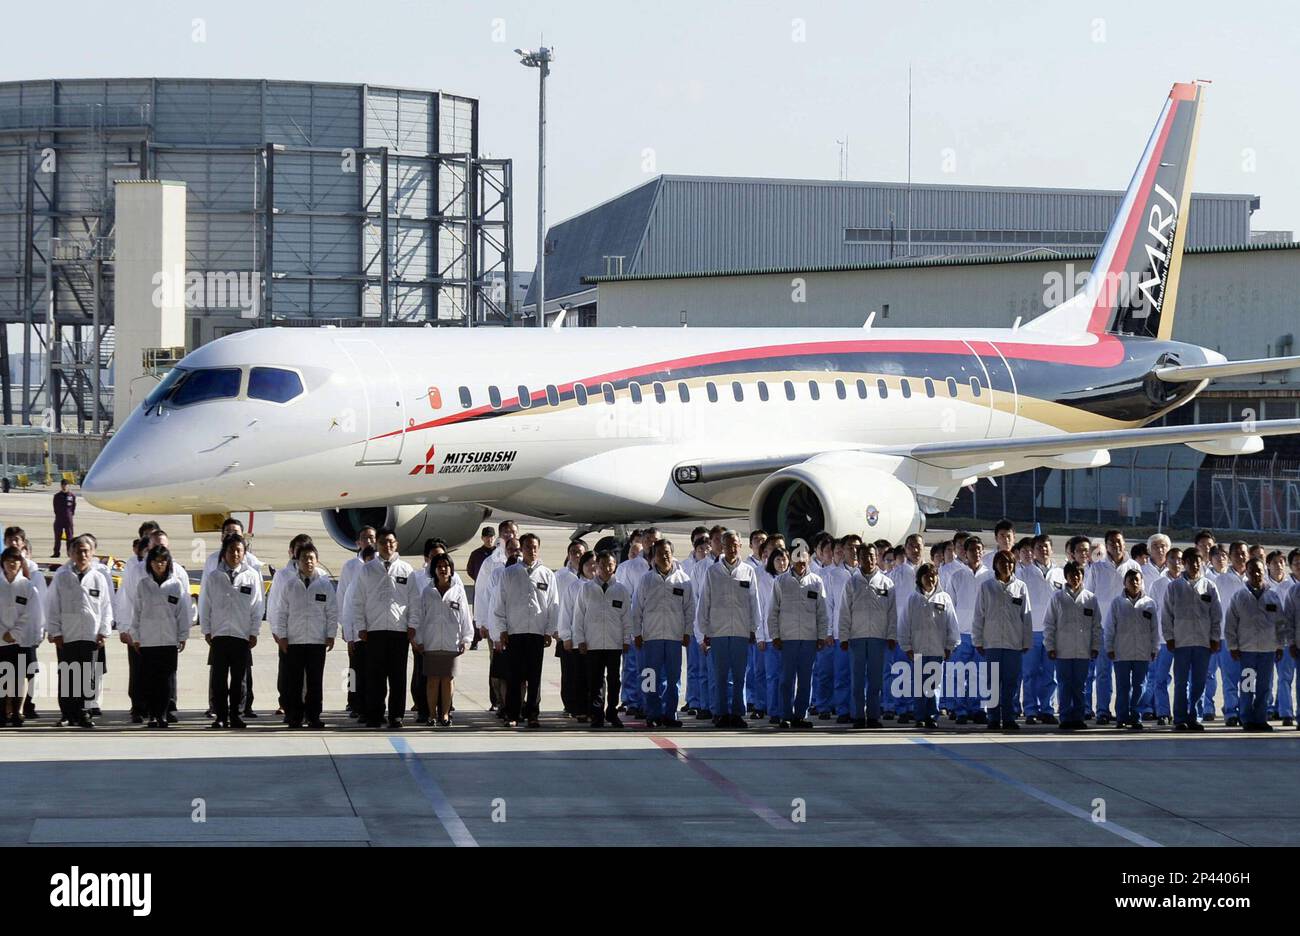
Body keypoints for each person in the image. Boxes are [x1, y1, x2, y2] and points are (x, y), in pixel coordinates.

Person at [348, 529, 417, 729]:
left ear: (396, 544)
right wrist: (360, 626)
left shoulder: (406, 569)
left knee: (397, 677)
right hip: (374, 630)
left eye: (391, 542)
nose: (388, 546)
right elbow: (357, 600)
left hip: (398, 630)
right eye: (384, 542)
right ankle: (375, 714)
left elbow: (414, 600)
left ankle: (396, 715)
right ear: (377, 545)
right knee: (375, 676)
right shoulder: (367, 570)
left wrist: (412, 625)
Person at [44, 535, 113, 728]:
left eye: (86, 551)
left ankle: (84, 713)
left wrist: (104, 631)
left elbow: (106, 607)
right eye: (78, 551)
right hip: (67, 634)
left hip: (91, 634)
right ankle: (67, 713)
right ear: (71, 554)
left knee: (87, 675)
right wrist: (55, 631)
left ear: (92, 553)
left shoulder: (99, 578)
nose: (82, 554)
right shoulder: (62, 577)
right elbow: (53, 606)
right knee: (67, 674)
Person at [493, 533, 559, 729]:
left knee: (534, 676)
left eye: (535, 547)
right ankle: (512, 714)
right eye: (528, 547)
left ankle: (532, 714)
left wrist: (549, 630)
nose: (532, 550)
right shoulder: (510, 573)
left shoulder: (547, 574)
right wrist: (502, 629)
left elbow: (553, 605)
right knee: (514, 676)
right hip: (516, 631)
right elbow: (500, 603)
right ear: (521, 549)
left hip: (537, 632)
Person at [697, 530, 761, 729]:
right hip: (718, 632)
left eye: (735, 544)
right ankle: (720, 712)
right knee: (720, 676)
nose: (732, 548)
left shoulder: (748, 571)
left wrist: (753, 628)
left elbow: (754, 602)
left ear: (740, 546)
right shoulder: (712, 572)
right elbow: (704, 602)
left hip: (741, 632)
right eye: (727, 544)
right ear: (721, 547)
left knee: (740, 676)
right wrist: (704, 631)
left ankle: (737, 713)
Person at [200, 535, 264, 729]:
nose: (235, 554)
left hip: (241, 635)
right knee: (219, 679)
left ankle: (236, 714)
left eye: (239, 550)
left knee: (238, 680)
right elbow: (205, 604)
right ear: (224, 552)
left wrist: (254, 632)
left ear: (244, 553)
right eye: (231, 550)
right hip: (219, 635)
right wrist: (207, 630)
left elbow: (257, 607)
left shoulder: (251, 576)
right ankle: (220, 715)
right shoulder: (213, 576)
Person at [271, 543, 338, 730]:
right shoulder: (290, 585)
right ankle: (295, 717)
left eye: (311, 558)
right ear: (297, 562)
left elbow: (332, 612)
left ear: (317, 561)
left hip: (317, 641)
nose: (308, 561)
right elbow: (281, 613)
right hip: (295, 641)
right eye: (304, 558)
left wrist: (331, 635)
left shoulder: (324, 585)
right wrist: (282, 636)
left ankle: (314, 716)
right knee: (295, 682)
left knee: (315, 682)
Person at [127, 544, 191, 729]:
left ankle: (162, 714)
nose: (159, 565)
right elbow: (136, 613)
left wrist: (182, 635)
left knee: (166, 681)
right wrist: (136, 636)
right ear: (150, 563)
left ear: (168, 563)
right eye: (156, 561)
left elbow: (182, 613)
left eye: (163, 561)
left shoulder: (175, 585)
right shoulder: (143, 585)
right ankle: (152, 715)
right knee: (149, 680)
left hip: (169, 640)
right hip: (148, 640)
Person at [633, 539, 693, 728]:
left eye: (667, 552)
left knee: (673, 678)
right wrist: (637, 633)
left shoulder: (684, 580)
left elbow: (690, 609)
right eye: (660, 553)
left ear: (672, 554)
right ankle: (652, 713)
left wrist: (687, 632)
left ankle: (670, 714)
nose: (664, 556)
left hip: (675, 637)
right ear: (653, 557)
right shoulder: (646, 579)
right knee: (650, 678)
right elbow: (637, 609)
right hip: (652, 637)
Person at [767, 544, 828, 729]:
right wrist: (775, 635)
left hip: (809, 638)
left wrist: (821, 636)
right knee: (786, 679)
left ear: (808, 559)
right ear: (791, 559)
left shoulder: (816, 582)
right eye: (797, 558)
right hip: (788, 638)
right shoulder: (781, 581)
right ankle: (785, 715)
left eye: (804, 558)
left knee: (805, 680)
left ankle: (800, 715)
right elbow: (773, 611)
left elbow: (822, 612)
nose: (801, 562)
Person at [1161, 549, 1222, 732]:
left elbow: (1216, 615)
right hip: (1182, 641)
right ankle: (1180, 718)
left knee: (1199, 681)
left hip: (1203, 642)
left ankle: (1194, 716)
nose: (1194, 565)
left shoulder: (1209, 586)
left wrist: (1214, 638)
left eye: (1198, 561)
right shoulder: (1174, 586)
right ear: (1184, 563)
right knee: (1181, 682)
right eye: (1190, 561)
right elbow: (1166, 615)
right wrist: (1169, 638)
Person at [973, 550, 1032, 731]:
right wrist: (978, 640)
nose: (1006, 566)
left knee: (1011, 683)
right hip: (992, 643)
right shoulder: (987, 587)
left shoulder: (1021, 587)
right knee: (992, 682)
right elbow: (979, 615)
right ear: (995, 565)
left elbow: (1026, 617)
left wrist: (1026, 642)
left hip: (1013, 643)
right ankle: (992, 717)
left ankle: (1008, 717)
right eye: (1002, 562)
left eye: (1009, 563)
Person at [839, 542, 896, 729]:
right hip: (856, 637)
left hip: (878, 637)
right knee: (857, 680)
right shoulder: (852, 582)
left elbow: (892, 613)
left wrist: (891, 635)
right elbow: (845, 612)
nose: (869, 560)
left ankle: (873, 716)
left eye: (872, 556)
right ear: (859, 558)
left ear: (876, 557)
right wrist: (844, 637)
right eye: (865, 556)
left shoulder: (887, 583)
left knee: (875, 679)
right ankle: (857, 716)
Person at [573, 550, 631, 729]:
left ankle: (612, 712)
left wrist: (626, 639)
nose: (607, 568)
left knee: (614, 680)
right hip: (593, 643)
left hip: (614, 643)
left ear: (615, 566)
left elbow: (627, 617)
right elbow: (578, 616)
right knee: (596, 681)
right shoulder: (587, 588)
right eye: (603, 564)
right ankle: (597, 715)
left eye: (610, 564)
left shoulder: (621, 589)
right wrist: (580, 639)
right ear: (597, 566)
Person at [413, 553, 473, 727]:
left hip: (451, 641)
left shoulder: (458, 590)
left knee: (447, 680)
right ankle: (432, 715)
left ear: (451, 569)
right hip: (431, 642)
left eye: (446, 566)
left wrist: (466, 639)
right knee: (432, 680)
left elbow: (465, 617)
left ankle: (445, 714)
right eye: (439, 566)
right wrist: (419, 639)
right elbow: (420, 617)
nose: (443, 569)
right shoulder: (427, 591)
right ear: (434, 570)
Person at [1084, 530, 1138, 725]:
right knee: (1103, 673)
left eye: (1119, 541)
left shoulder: (1133, 567)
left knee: (1125, 675)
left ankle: (1125, 712)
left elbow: (1141, 598)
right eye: (1112, 542)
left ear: (1125, 544)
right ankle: (1103, 711)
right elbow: (1087, 598)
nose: (1116, 545)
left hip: (1126, 630)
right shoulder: (1097, 568)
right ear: (1106, 546)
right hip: (1103, 629)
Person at [1225, 557, 1285, 732]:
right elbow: (1230, 624)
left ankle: (1260, 719)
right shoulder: (1239, 596)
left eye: (1259, 570)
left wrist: (1280, 645)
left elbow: (1280, 623)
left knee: (1264, 687)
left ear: (1264, 571)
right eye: (1252, 571)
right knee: (1247, 686)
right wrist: (1233, 646)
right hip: (1247, 650)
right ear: (1247, 573)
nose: (1256, 574)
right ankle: (1246, 719)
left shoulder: (1273, 596)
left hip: (1267, 650)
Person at [1043, 561, 1101, 731]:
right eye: (1071, 574)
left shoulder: (1090, 598)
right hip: (1063, 650)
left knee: (1080, 686)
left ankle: (1078, 716)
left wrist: (1095, 646)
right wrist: (1050, 646)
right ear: (1066, 577)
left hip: (1083, 650)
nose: (1075, 578)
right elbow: (1049, 624)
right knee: (1064, 684)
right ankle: (1065, 717)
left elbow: (1096, 625)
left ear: (1082, 576)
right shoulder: (1057, 598)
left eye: (1078, 574)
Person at [899, 562, 958, 730]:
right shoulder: (912, 599)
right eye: (926, 576)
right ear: (919, 579)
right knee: (919, 684)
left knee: (934, 685)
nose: (930, 579)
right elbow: (904, 624)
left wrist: (950, 646)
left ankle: (932, 715)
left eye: (933, 575)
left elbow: (952, 624)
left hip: (938, 649)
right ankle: (919, 716)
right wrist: (907, 646)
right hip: (918, 649)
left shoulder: (944, 598)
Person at [266, 533, 314, 722]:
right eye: (297, 549)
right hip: (288, 633)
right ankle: (286, 704)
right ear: (291, 551)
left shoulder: (320, 575)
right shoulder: (283, 575)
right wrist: (276, 631)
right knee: (287, 673)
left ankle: (307, 709)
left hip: (311, 634)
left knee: (309, 677)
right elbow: (274, 603)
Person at [1105, 569, 1160, 730]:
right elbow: (1109, 627)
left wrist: (1154, 648)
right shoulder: (1117, 603)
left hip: (1142, 652)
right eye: (1131, 580)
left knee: (1139, 686)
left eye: (1137, 580)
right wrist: (1109, 646)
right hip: (1121, 652)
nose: (1134, 583)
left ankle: (1135, 716)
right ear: (1125, 583)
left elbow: (1154, 629)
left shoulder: (1149, 603)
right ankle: (1121, 717)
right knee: (1123, 686)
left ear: (1142, 581)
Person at [1017, 534, 1063, 724]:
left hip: (1053, 632)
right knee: (1029, 673)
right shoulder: (1023, 573)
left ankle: (1047, 708)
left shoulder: (1060, 573)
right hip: (1031, 630)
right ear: (1033, 551)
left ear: (1051, 550)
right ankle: (1030, 710)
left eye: (1046, 547)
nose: (1043, 550)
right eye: (1039, 547)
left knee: (1050, 674)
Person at [4, 527, 47, 721]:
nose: (14, 543)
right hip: (2, 636)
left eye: (17, 540)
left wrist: (22, 631)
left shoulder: (32, 575)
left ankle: (21, 709)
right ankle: (5, 710)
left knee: (24, 673)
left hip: (24, 635)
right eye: (10, 539)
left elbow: (35, 608)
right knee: (4, 675)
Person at [337, 525, 376, 719]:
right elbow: (342, 596)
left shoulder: (379, 565)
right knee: (353, 667)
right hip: (354, 625)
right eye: (364, 538)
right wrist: (345, 626)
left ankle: (369, 701)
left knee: (371, 668)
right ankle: (351, 701)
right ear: (357, 543)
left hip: (375, 626)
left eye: (371, 538)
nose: (368, 542)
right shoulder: (350, 567)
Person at [1143, 548, 1183, 725]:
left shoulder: (1188, 583)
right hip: (1162, 640)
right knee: (1160, 678)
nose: (1176, 562)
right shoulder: (1158, 585)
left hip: (1185, 640)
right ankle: (1163, 712)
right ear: (1166, 561)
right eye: (1172, 559)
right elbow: (1150, 613)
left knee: (1184, 680)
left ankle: (1184, 712)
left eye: (1180, 559)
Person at [0, 547, 37, 726]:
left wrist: (14, 633)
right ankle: (2, 712)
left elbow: (31, 613)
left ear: (20, 563)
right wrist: (3, 634)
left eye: (15, 560)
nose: (12, 564)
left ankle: (16, 712)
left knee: (18, 678)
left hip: (21, 640)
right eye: (8, 561)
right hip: (0, 640)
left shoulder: (27, 586)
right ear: (3, 563)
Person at [558, 550, 596, 723]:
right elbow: (565, 614)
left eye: (596, 564)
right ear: (582, 567)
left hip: (598, 641)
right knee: (579, 676)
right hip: (577, 640)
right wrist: (566, 635)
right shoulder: (574, 587)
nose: (593, 567)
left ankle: (595, 709)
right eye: (589, 564)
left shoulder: (605, 586)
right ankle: (580, 709)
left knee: (596, 678)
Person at [681, 534, 714, 720]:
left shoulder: (712, 567)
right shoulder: (688, 566)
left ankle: (709, 703)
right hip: (695, 625)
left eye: (706, 548)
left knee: (712, 669)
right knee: (696, 667)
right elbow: (691, 600)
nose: (703, 551)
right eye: (700, 548)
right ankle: (695, 701)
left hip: (713, 626)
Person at [554, 538, 587, 717]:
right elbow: (554, 603)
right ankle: (569, 703)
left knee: (583, 671)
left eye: (580, 552)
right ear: (568, 555)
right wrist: (557, 630)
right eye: (574, 552)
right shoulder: (560, 576)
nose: (577, 555)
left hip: (587, 634)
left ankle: (585, 704)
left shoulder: (592, 577)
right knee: (568, 671)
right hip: (566, 630)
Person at [756, 545, 789, 725]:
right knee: (772, 676)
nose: (781, 562)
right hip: (770, 637)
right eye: (777, 559)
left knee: (788, 677)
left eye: (784, 559)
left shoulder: (792, 580)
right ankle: (773, 710)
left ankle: (786, 709)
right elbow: (760, 610)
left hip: (790, 636)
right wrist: (760, 636)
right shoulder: (764, 581)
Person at [51, 479, 76, 558]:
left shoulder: (72, 496)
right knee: (57, 537)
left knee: (69, 537)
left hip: (68, 519)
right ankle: (56, 553)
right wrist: (58, 515)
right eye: (63, 485)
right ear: (61, 486)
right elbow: (55, 507)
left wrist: (70, 515)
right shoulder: (57, 496)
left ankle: (69, 553)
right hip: (59, 518)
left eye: (66, 485)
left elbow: (73, 507)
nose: (64, 486)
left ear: (68, 486)